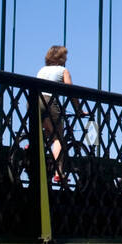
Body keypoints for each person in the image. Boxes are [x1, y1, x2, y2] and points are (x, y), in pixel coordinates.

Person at [37, 45, 72, 183]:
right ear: (60, 58)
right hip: (48, 101)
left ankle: (29, 146)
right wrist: (79, 110)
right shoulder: (63, 70)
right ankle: (58, 172)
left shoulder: (42, 69)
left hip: (33, 100)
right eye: (65, 56)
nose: (66, 59)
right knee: (58, 138)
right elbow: (72, 92)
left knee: (45, 131)